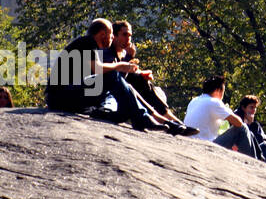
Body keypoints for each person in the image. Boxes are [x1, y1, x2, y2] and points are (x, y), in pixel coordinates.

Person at [47, 19, 183, 134]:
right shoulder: (87, 42)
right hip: (61, 96)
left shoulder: (89, 45)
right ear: (102, 34)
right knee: (112, 74)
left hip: (69, 97)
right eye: (111, 35)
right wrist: (120, 66)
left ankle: (142, 117)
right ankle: (142, 118)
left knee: (125, 90)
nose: (112, 39)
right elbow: (98, 69)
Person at [107, 21, 186, 126]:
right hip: (111, 95)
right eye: (124, 34)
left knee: (141, 80)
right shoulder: (108, 52)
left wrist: (140, 72)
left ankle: (169, 117)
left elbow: (126, 73)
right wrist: (129, 58)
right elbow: (116, 79)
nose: (128, 39)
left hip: (125, 91)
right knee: (137, 81)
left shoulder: (123, 53)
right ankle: (162, 119)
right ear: (115, 36)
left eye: (130, 35)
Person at [184, 76, 260, 156]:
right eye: (223, 91)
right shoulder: (214, 102)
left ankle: (257, 159)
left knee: (249, 134)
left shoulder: (194, 100)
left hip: (191, 142)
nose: (222, 95)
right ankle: (250, 161)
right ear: (218, 90)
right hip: (205, 145)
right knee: (243, 128)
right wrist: (229, 111)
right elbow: (238, 123)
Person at [235, 95, 266, 168]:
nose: (254, 110)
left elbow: (260, 137)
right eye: (251, 107)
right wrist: (250, 124)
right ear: (243, 107)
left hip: (253, 150)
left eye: (255, 108)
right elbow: (256, 141)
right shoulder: (237, 119)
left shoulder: (253, 121)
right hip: (244, 151)